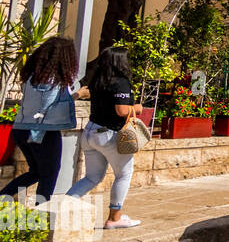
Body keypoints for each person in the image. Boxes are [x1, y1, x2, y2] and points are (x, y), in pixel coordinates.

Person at [66, 46, 145, 228]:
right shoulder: (121, 82)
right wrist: (138, 108)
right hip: (109, 135)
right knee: (124, 175)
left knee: (92, 177)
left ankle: (63, 206)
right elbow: (122, 111)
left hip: (91, 132)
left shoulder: (99, 81)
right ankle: (114, 219)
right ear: (122, 62)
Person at [1, 37, 79, 205]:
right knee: (49, 175)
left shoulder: (31, 76)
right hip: (41, 132)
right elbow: (52, 106)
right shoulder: (55, 80)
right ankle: (41, 217)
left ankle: (2, 197)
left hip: (21, 129)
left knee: (36, 172)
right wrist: (79, 95)